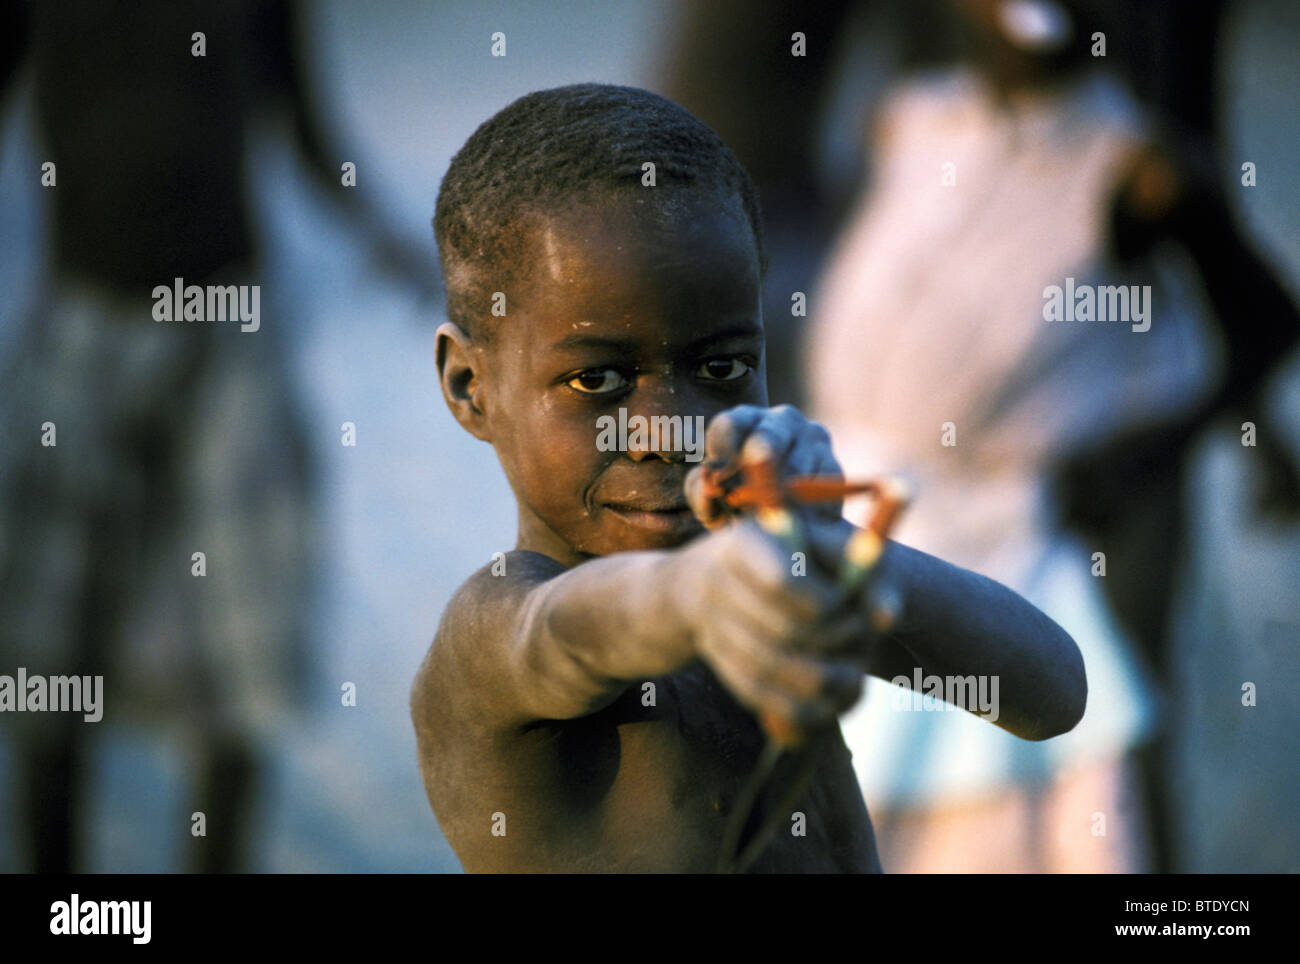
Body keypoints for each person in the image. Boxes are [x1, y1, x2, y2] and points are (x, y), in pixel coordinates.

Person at [409, 83, 1086, 873]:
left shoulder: (769, 578)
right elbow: (565, 633)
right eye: (598, 382)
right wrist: (699, 592)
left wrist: (821, 543)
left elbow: (1047, 697)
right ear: (468, 385)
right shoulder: (495, 628)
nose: (674, 430)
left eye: (722, 366)